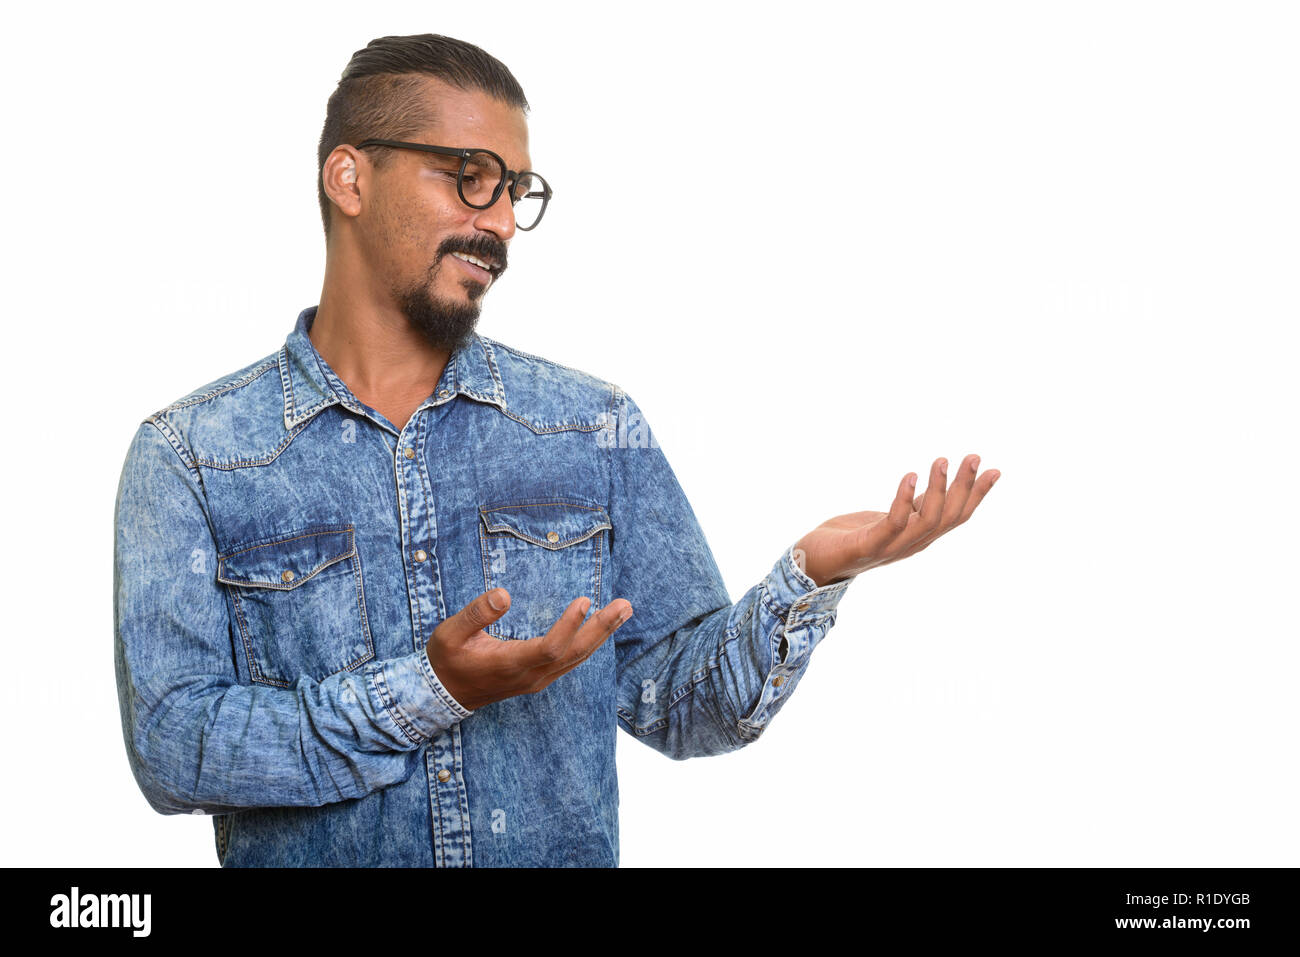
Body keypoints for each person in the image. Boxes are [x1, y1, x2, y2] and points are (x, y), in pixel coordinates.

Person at [113, 33, 1000, 867]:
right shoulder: (191, 457)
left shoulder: (591, 426)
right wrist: (430, 689)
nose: (499, 222)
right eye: (470, 177)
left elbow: (683, 705)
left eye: (516, 191)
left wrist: (808, 574)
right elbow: (174, 748)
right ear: (349, 176)